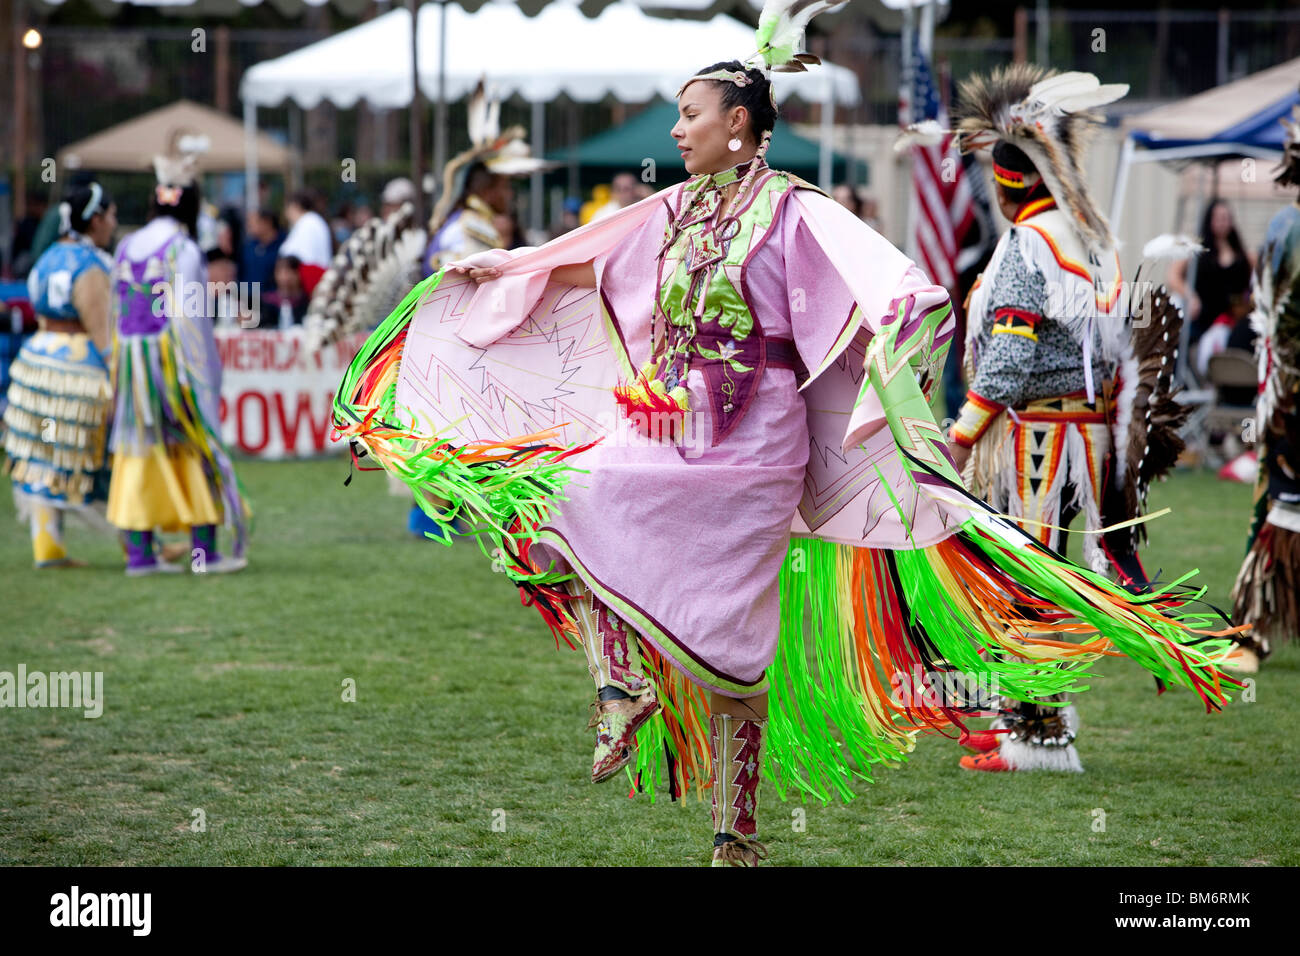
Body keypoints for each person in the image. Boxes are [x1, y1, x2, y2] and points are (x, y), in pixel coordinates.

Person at [334, 29, 1240, 866]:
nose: (679, 129)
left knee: (735, 650)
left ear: (740, 124)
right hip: (673, 424)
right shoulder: (673, 209)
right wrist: (504, 267)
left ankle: (736, 829)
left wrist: (903, 322)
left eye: (691, 114)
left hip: (759, 442)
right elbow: (596, 263)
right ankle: (622, 687)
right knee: (558, 497)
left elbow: (888, 280)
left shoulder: (793, 211)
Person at [948, 65, 1194, 773]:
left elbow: (1012, 354)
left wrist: (964, 432)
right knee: (1036, 574)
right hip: (1078, 433)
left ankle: (1040, 739)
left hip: (1041, 439)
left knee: (1027, 579)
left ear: (1009, 181)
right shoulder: (1081, 233)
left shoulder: (1032, 242)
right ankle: (1026, 721)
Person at [106, 154, 249, 576]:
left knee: (139, 450)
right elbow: (191, 320)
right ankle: (202, 555)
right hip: (170, 367)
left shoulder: (125, 246)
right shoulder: (182, 249)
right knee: (194, 444)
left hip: (132, 366)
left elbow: (118, 313)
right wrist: (204, 380)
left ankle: (140, 555)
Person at [3, 182, 117, 568]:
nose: (114, 224)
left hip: (37, 363)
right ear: (96, 219)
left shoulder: (48, 255)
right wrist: (117, 376)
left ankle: (47, 547)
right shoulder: (91, 265)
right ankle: (136, 544)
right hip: (77, 368)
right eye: (112, 216)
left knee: (44, 453)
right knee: (102, 455)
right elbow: (102, 332)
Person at [1230, 99, 1300, 672]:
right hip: (1289, 396)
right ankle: (1252, 631)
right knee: (1279, 508)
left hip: (1286, 397)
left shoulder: (1284, 225)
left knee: (1276, 508)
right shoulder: (1287, 227)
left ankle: (1253, 634)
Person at [1168, 199, 1254, 350]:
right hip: (1201, 317)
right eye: (1218, 218)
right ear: (1210, 220)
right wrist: (1190, 296)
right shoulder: (1196, 250)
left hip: (1229, 321)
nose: (1222, 223)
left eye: (1226, 218)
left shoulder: (1242, 255)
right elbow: (1172, 276)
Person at [280, 190, 333, 297]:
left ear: (295, 205)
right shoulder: (310, 222)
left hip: (310, 282)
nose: (286, 213)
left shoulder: (309, 222)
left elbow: (304, 258)